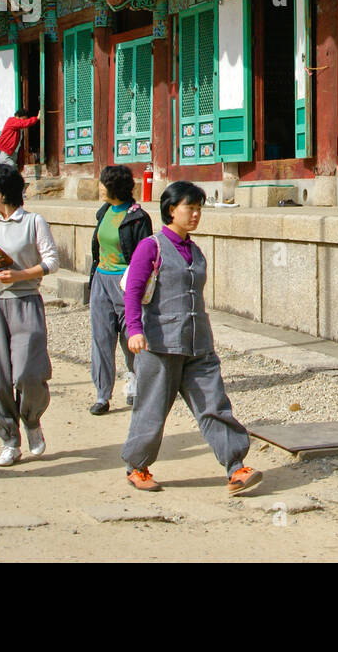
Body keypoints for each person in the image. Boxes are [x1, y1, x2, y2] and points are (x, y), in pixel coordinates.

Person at [120, 181, 261, 496]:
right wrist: (134, 330)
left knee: (214, 405)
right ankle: (137, 466)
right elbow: (133, 290)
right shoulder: (151, 246)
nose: (196, 214)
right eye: (190, 207)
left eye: (199, 208)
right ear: (172, 210)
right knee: (152, 408)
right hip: (159, 344)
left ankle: (236, 468)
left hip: (198, 344)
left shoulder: (195, 251)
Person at [0, 163, 59, 466]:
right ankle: (9, 439)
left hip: (26, 301)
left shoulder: (33, 222)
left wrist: (21, 274)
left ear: (3, 192)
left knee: (29, 371)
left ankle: (32, 419)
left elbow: (52, 261)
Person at [88, 165, 152, 414]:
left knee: (131, 337)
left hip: (126, 283)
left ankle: (136, 381)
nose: (100, 187)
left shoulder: (138, 217)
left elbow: (145, 255)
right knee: (101, 338)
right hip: (101, 280)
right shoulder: (103, 211)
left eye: (103, 183)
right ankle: (102, 394)